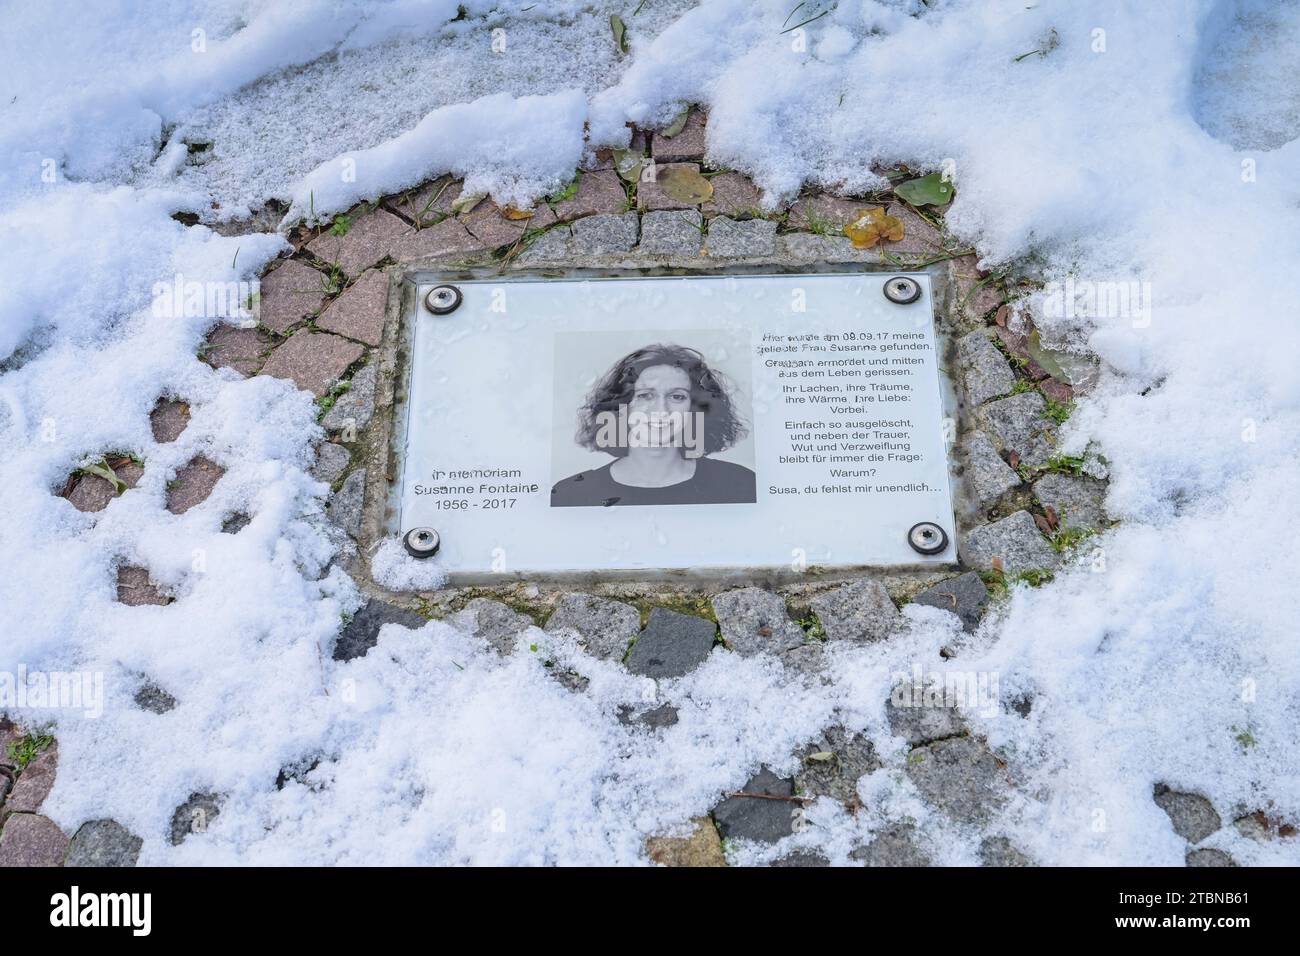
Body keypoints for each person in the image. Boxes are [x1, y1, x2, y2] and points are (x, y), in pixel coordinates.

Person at [551, 343, 757, 507]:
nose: (661, 410)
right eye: (645, 396)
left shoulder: (740, 484)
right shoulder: (571, 494)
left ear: (696, 408)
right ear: (621, 406)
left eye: (677, 396)